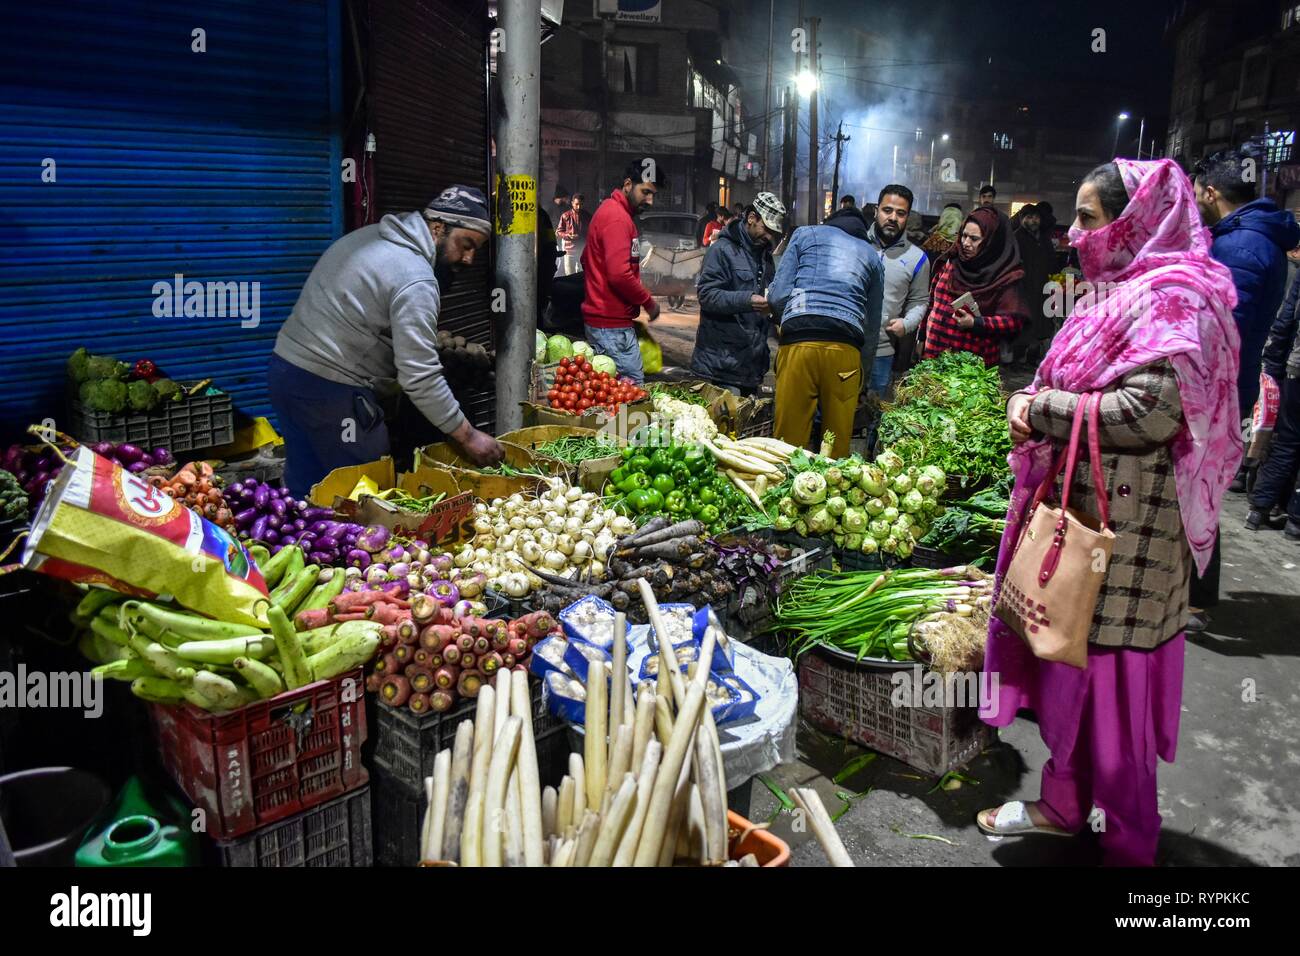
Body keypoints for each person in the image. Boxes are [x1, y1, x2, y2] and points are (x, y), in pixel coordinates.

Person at [978, 159, 1242, 867]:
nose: (1074, 232)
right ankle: (1064, 804)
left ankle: (1130, 841)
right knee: (1073, 672)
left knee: (1117, 691)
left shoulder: (1177, 294)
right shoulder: (1117, 289)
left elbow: (1151, 413)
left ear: (1137, 222)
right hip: (1087, 517)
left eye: (1090, 218)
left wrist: (1041, 409)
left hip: (1134, 539)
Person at [269, 185, 504, 496]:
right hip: (331, 392)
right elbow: (419, 376)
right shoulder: (416, 277)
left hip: (286, 373)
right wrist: (468, 436)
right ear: (438, 228)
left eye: (476, 249)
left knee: (308, 489)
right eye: (465, 244)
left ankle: (300, 541)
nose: (469, 259)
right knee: (366, 495)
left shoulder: (370, 237)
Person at [1193, 149, 1300, 487]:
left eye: (1197, 194)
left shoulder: (1240, 247)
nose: (1195, 204)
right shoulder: (1249, 237)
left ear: (1212, 193)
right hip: (1234, 381)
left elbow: (1223, 330)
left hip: (1216, 388)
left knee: (1194, 489)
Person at [767, 205, 885, 459]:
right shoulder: (872, 256)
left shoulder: (805, 234)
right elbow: (872, 327)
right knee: (836, 448)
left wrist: (784, 321)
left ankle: (783, 492)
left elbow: (777, 296)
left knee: (787, 445)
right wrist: (860, 380)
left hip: (800, 343)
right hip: (845, 352)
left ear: (830, 221)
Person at [689, 192, 787, 397]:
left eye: (773, 232)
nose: (770, 237)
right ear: (751, 217)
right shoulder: (722, 250)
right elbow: (707, 295)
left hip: (750, 367)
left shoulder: (764, 256)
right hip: (721, 366)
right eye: (766, 229)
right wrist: (747, 300)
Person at [581, 162, 661, 383]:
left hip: (605, 323)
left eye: (653, 195)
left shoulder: (608, 211)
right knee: (631, 398)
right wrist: (648, 302)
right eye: (645, 192)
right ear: (628, 184)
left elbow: (586, 258)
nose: (650, 201)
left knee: (612, 397)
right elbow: (619, 274)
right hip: (611, 328)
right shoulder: (617, 218)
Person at [864, 185, 930, 449]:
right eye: (887, 210)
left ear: (908, 217)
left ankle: (867, 465)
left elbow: (920, 301)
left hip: (882, 350)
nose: (893, 218)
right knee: (834, 410)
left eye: (900, 213)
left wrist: (907, 323)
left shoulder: (917, 258)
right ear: (876, 210)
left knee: (874, 415)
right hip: (845, 346)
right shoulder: (855, 242)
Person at [919, 207, 1026, 366]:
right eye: (964, 236)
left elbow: (1013, 321)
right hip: (934, 357)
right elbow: (931, 304)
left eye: (974, 239)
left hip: (972, 367)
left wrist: (977, 323)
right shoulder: (949, 262)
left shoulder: (1003, 276)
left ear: (991, 241)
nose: (966, 243)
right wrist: (921, 338)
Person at [1247, 257, 1300, 537]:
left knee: (1286, 440)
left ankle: (1260, 507)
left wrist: (1273, 367)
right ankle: (1295, 520)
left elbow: (1285, 319)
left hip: (1296, 368)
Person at [1010, 203, 1057, 368]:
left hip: (1043, 287)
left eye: (1035, 217)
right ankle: (1017, 359)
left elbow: (1052, 261)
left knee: (1040, 324)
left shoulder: (1045, 239)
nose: (1033, 220)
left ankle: (1032, 358)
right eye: (1028, 217)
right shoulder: (1016, 238)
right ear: (1022, 219)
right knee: (1023, 324)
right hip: (1023, 288)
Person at [556, 193, 586, 276]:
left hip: (582, 252)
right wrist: (568, 236)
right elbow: (558, 231)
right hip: (569, 251)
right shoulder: (565, 216)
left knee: (582, 276)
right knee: (569, 276)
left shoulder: (587, 216)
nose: (579, 207)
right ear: (572, 203)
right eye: (576, 204)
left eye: (581, 204)